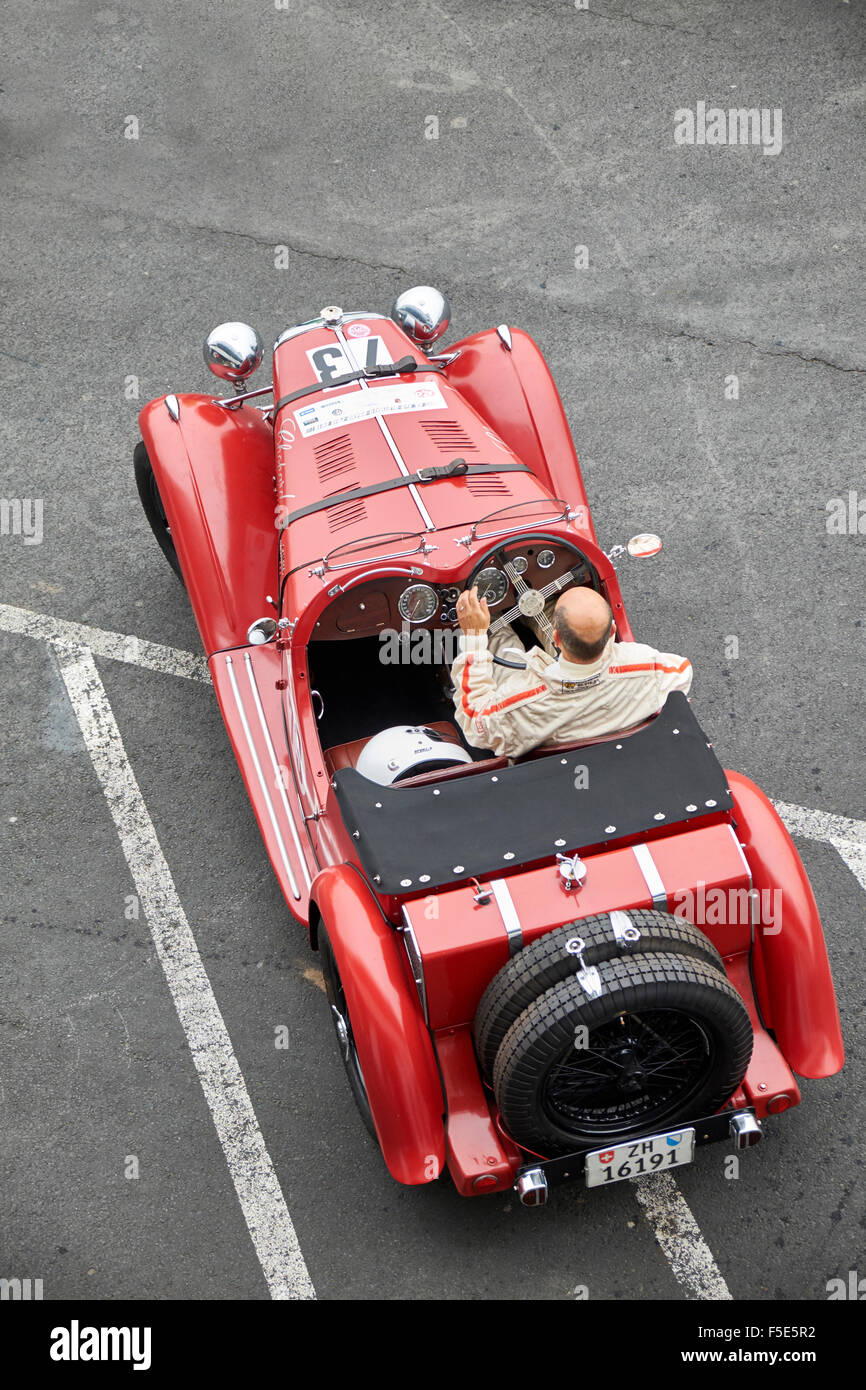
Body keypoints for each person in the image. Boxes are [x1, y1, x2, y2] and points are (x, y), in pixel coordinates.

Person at [450, 583, 692, 760]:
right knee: (554, 614)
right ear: (611, 632)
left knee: (499, 638)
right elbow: (683, 673)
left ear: (556, 638)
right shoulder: (650, 667)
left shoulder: (517, 702)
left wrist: (474, 636)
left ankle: (493, 619)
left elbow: (474, 722)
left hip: (535, 713)